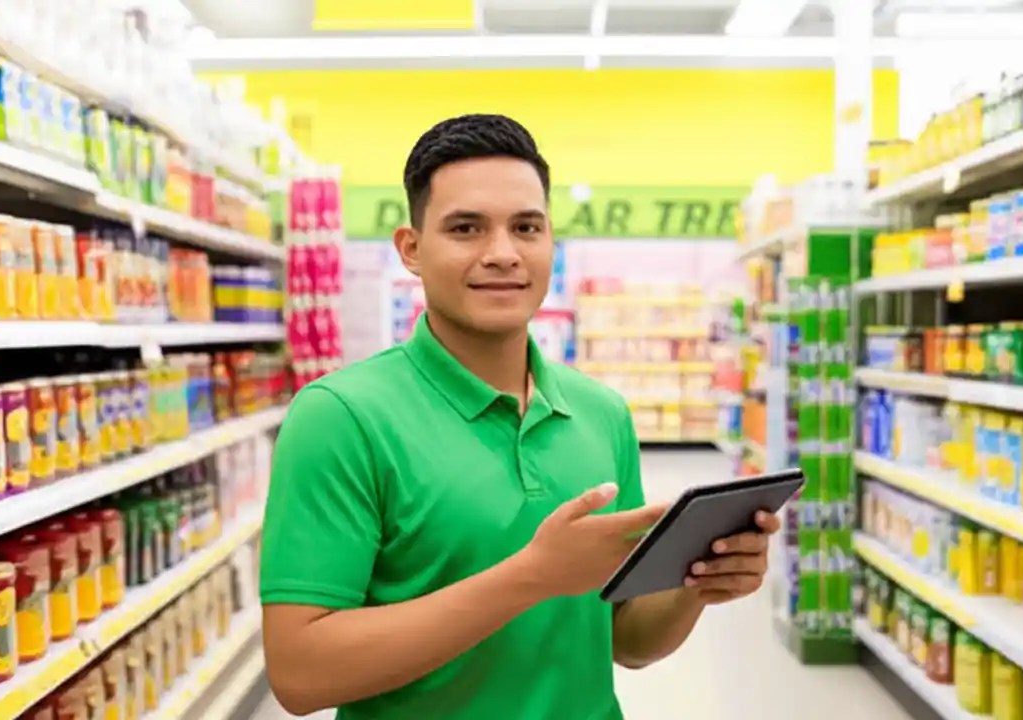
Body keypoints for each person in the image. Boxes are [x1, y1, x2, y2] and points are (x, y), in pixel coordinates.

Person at [260, 113, 781, 719]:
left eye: (526, 227)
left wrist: (697, 583)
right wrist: (531, 576)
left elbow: (627, 639)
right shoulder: (341, 417)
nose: (503, 254)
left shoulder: (601, 413)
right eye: (466, 229)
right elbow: (299, 674)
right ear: (412, 249)